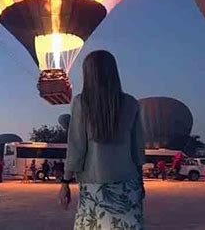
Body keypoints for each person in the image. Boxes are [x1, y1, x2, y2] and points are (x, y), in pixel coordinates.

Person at [58, 50, 145, 229]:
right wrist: (140, 181)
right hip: (128, 184)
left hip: (94, 187)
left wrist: (65, 182)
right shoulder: (131, 103)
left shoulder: (81, 103)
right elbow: (137, 150)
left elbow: (76, 147)